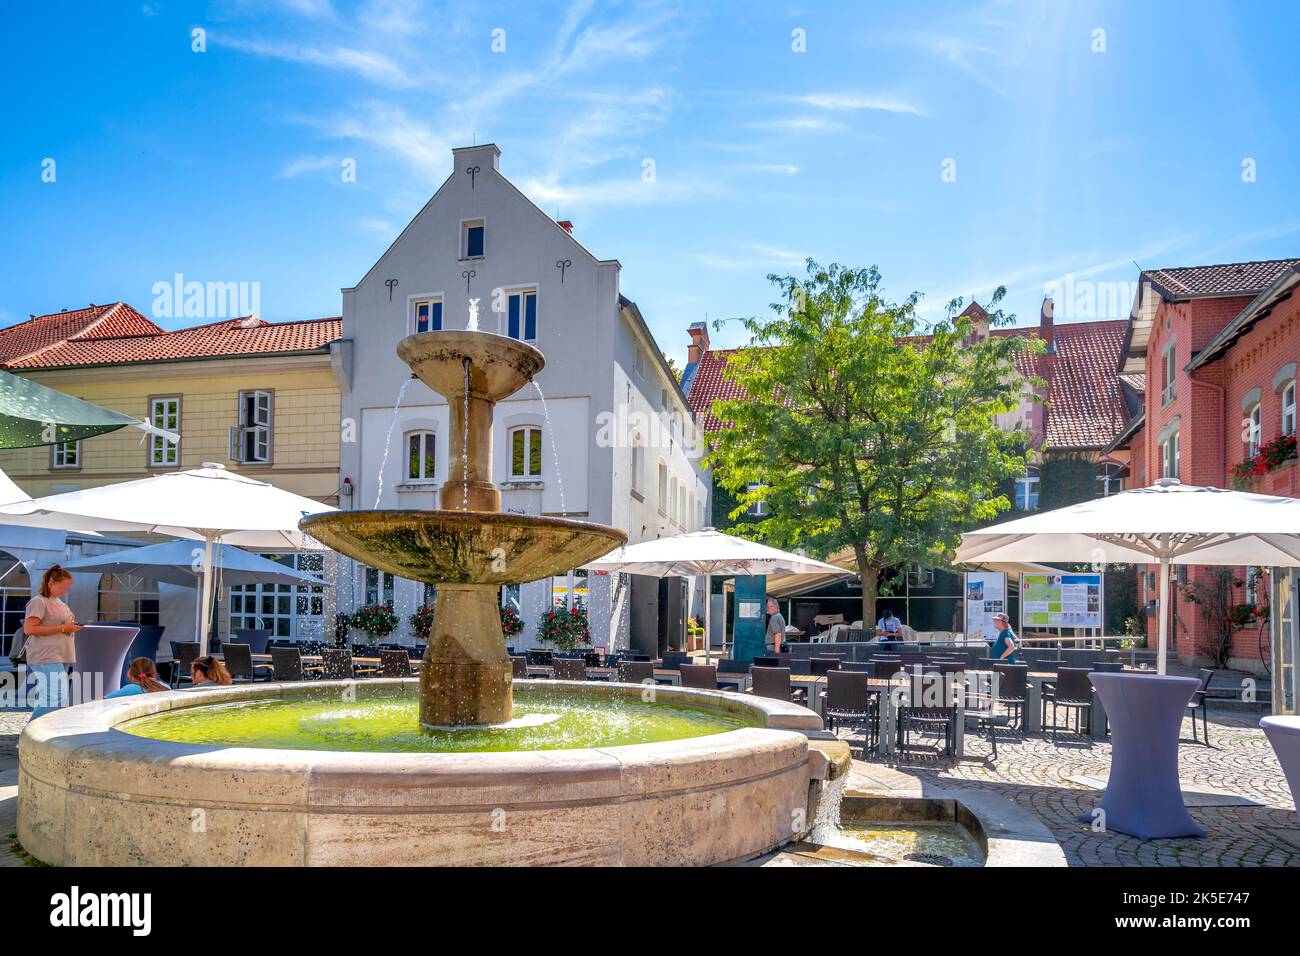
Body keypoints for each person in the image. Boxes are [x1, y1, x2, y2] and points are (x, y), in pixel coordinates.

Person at [23, 565, 83, 720]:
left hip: (61, 654)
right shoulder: (39, 602)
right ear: (51, 583)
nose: (66, 590)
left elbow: (58, 626)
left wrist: (70, 626)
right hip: (46, 654)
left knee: (48, 696)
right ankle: (32, 734)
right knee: (56, 696)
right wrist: (64, 627)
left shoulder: (61, 603)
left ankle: (35, 736)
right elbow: (29, 629)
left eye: (68, 586)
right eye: (63, 586)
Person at [105, 657, 171, 698]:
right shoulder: (165, 687)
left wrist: (97, 680)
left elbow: (100, 703)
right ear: (154, 673)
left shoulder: (130, 689)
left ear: (130, 673)